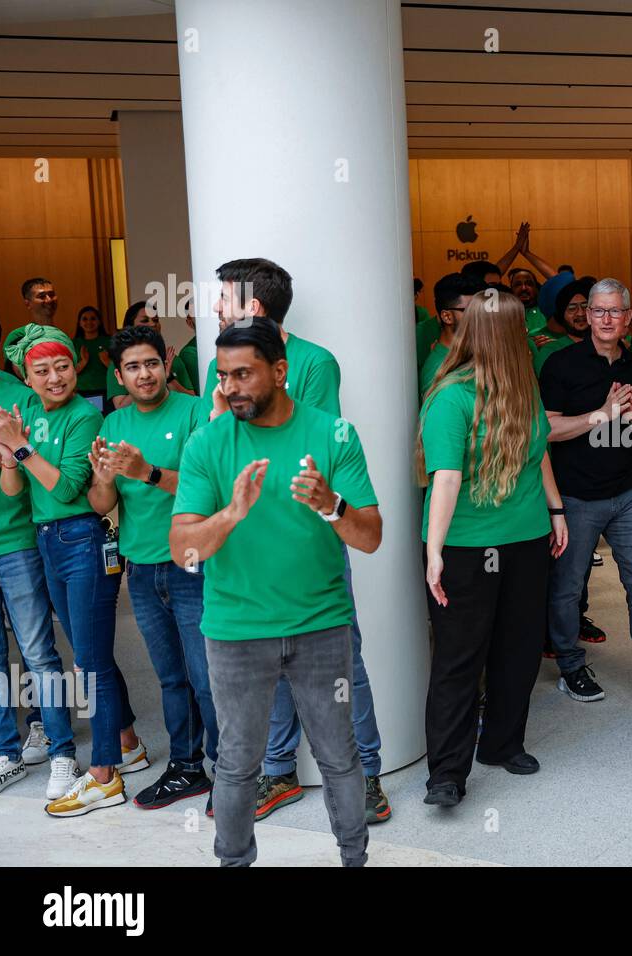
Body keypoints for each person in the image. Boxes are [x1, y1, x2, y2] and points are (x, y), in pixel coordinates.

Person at [170, 317, 381, 866]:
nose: (231, 387)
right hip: (237, 634)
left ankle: (355, 860)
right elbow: (183, 549)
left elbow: (372, 537)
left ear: (281, 371)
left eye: (244, 373)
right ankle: (233, 865)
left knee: (340, 756)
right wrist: (232, 513)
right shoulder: (207, 443)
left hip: (320, 626)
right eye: (223, 376)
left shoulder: (333, 434)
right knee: (239, 763)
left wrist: (332, 505)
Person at [204, 258, 390, 824]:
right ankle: (278, 771)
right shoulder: (223, 365)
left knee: (342, 661)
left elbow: (320, 450)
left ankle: (369, 776)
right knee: (265, 660)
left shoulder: (315, 363)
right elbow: (211, 454)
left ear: (253, 308)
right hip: (245, 547)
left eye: (223, 299)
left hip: (312, 543)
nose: (213, 308)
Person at [419, 292, 567, 807]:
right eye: (518, 329)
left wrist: (556, 509)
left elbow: (540, 450)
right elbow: (446, 478)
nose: (527, 335)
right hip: (466, 545)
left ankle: (502, 744)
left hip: (526, 539)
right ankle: (447, 773)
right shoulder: (451, 397)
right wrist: (434, 551)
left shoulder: (524, 387)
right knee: (460, 659)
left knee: (520, 649)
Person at [0, 323, 148, 817]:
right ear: (27, 376)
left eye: (62, 366)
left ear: (75, 366)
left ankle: (104, 774)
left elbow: (65, 491)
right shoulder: (29, 412)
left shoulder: (84, 415)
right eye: (42, 371)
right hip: (46, 541)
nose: (55, 377)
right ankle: (127, 741)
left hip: (83, 538)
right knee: (88, 653)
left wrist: (21, 449)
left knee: (90, 661)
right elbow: (18, 491)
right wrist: (11, 459)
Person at [541, 278, 632, 710]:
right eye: (598, 311)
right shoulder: (560, 365)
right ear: (587, 315)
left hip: (628, 492)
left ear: (627, 318)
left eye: (616, 312)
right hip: (575, 496)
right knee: (568, 588)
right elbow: (546, 431)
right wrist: (599, 416)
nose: (607, 319)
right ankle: (570, 667)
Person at [88, 324, 218, 810]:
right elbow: (102, 503)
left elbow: (207, 489)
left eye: (151, 363)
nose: (144, 375)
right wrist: (103, 478)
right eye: (132, 367)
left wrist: (146, 472)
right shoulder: (112, 426)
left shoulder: (198, 410)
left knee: (207, 676)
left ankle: (230, 773)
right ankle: (187, 769)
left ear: (166, 361)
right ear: (118, 374)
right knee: (170, 676)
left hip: (193, 564)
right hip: (140, 568)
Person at [0, 315, 77, 802]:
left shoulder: (18, 394)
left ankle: (58, 746)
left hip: (15, 536)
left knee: (38, 651)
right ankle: (5, 753)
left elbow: (28, 465)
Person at [108, 301, 196, 409]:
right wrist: (147, 385)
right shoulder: (121, 363)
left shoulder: (174, 360)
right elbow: (120, 406)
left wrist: (169, 379)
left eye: (155, 320)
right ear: (130, 326)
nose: (153, 324)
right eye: (145, 320)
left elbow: (192, 400)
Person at [419, 273, 483, 400]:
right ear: (447, 317)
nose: (480, 316)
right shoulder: (439, 371)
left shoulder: (462, 356)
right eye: (471, 311)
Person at [71, 305, 111, 410]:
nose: (89, 322)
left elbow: (120, 369)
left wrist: (107, 361)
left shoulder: (109, 341)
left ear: (99, 322)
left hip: (106, 390)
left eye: (93, 318)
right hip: (81, 392)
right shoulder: (74, 343)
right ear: (79, 323)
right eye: (85, 319)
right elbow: (68, 372)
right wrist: (83, 362)